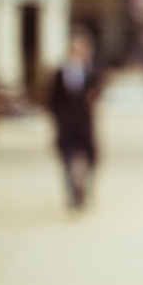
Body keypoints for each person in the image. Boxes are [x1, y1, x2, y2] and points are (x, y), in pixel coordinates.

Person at [48, 28, 102, 210]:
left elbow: (98, 94)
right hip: (66, 124)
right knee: (67, 158)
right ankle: (72, 192)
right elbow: (51, 100)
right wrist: (57, 118)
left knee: (87, 158)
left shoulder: (92, 73)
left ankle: (84, 187)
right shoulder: (59, 73)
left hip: (84, 124)